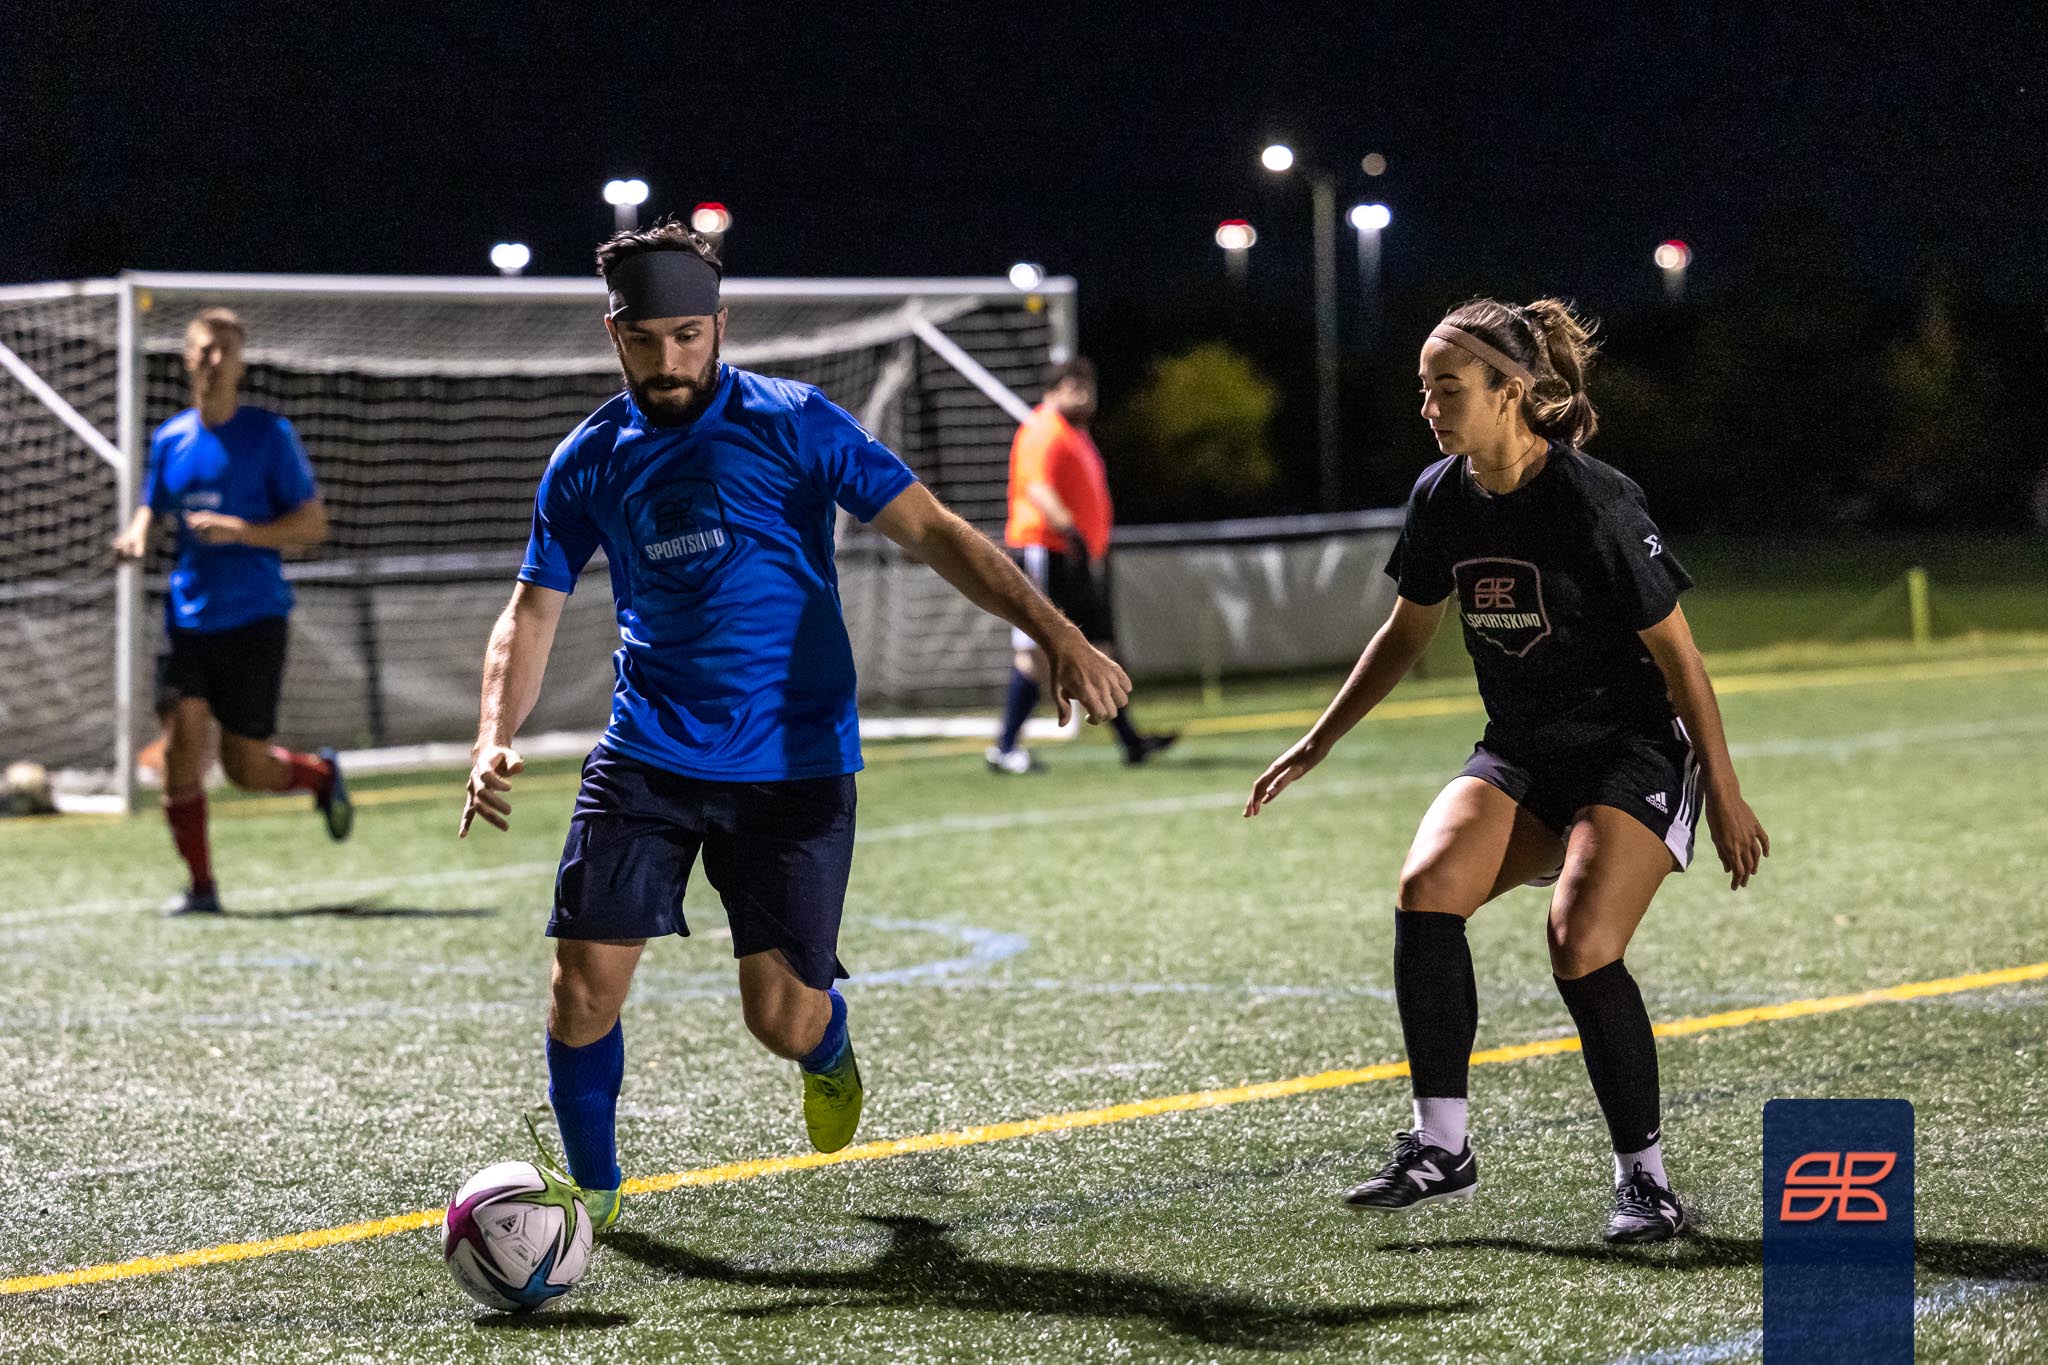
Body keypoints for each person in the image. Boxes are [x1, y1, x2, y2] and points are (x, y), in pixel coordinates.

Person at [459, 221, 1130, 1233]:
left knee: (779, 1019)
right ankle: (591, 1198)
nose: (670, 360)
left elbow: (938, 534)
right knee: (580, 982)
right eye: (647, 341)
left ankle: (826, 1043)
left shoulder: (796, 423)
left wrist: (1060, 633)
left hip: (794, 766)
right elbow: (533, 611)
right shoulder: (587, 461)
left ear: (719, 325)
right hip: (646, 752)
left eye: (690, 336)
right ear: (615, 334)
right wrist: (489, 737)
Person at [1245, 298, 1769, 1243]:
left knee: (1578, 939)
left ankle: (1644, 1181)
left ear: (1510, 392)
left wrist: (1724, 796)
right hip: (1523, 750)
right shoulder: (1441, 496)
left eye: (1449, 387)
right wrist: (1316, 740)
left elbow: (1682, 662)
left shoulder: (1594, 500)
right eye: (1424, 390)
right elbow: (1407, 631)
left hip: (1629, 751)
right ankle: (1440, 1145)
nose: (1431, 406)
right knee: (1426, 884)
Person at [111, 308, 354, 916]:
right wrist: (137, 534)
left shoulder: (270, 436)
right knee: (183, 737)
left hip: (255, 618)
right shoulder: (170, 439)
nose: (214, 359)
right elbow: (152, 505)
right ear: (187, 358)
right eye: (204, 349)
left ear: (242, 363)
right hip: (188, 618)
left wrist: (240, 531)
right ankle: (201, 887)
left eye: (226, 349)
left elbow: (313, 525)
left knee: (245, 767)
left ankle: (321, 777)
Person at [986, 357, 1176, 774]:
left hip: (1076, 557)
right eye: (1074, 386)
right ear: (1053, 390)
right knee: (1036, 653)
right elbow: (1037, 488)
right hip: (1045, 550)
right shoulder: (1043, 429)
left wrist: (1095, 544)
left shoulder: (1077, 436)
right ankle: (1004, 748)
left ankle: (1131, 742)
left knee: (1101, 650)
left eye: (1088, 386)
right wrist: (1070, 531)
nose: (1084, 394)